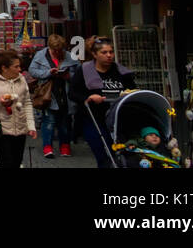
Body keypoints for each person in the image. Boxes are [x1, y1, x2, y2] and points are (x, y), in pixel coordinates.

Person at [69, 37, 136, 168]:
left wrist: (128, 93)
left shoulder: (121, 72)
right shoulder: (84, 70)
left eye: (111, 52)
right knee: (103, 155)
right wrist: (88, 97)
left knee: (120, 154)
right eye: (104, 53)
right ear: (94, 54)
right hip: (93, 119)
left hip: (117, 119)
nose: (109, 55)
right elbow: (73, 93)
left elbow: (133, 89)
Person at [28, 33, 79, 159]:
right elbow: (32, 71)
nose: (57, 52)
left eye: (60, 50)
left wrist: (68, 76)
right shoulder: (40, 55)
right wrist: (48, 73)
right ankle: (47, 146)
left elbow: (79, 73)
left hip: (65, 93)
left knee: (65, 122)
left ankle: (65, 146)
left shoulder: (69, 56)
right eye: (54, 50)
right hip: (48, 93)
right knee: (48, 121)